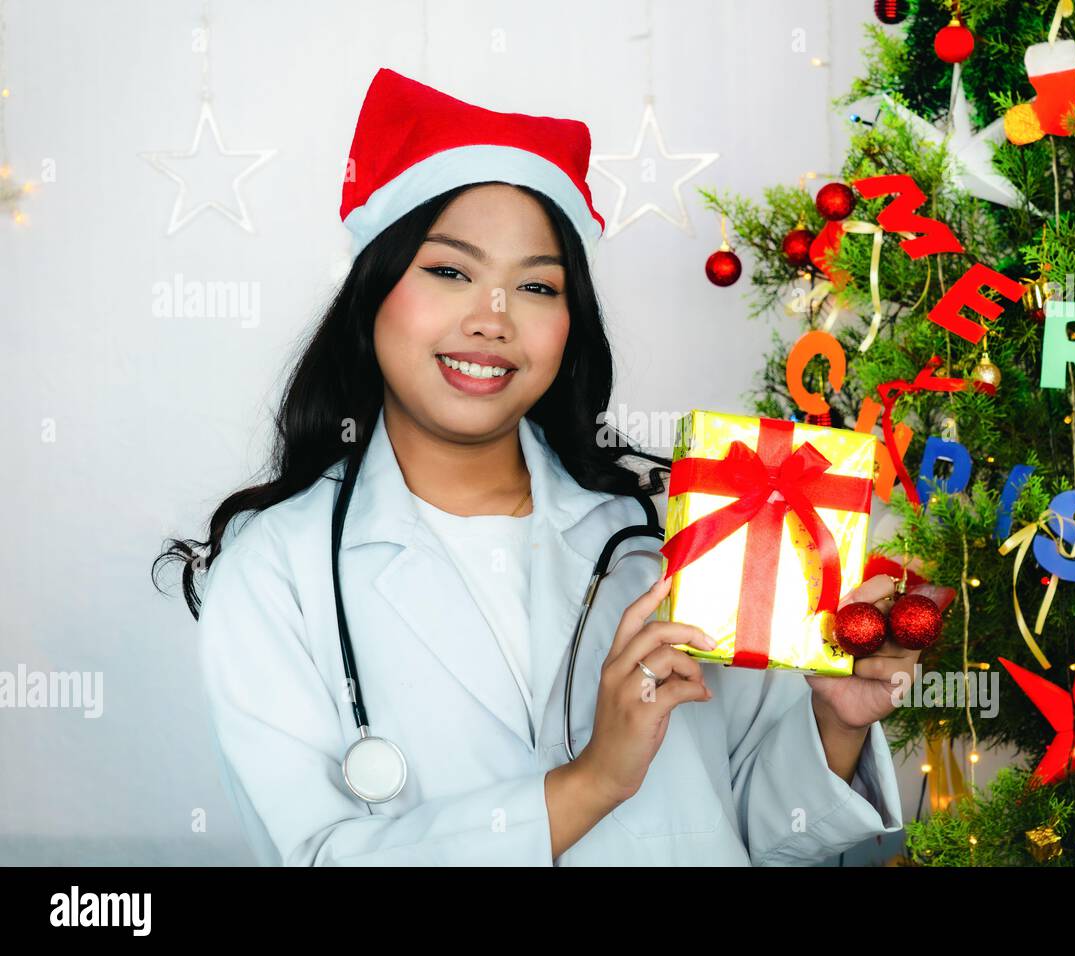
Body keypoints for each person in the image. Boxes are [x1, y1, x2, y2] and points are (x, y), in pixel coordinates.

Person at [156, 68, 951, 866]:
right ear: (372, 292)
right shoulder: (276, 568)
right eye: (449, 271)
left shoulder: (673, 532)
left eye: (536, 285)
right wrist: (594, 780)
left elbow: (766, 834)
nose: (492, 319)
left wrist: (837, 723)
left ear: (570, 325)